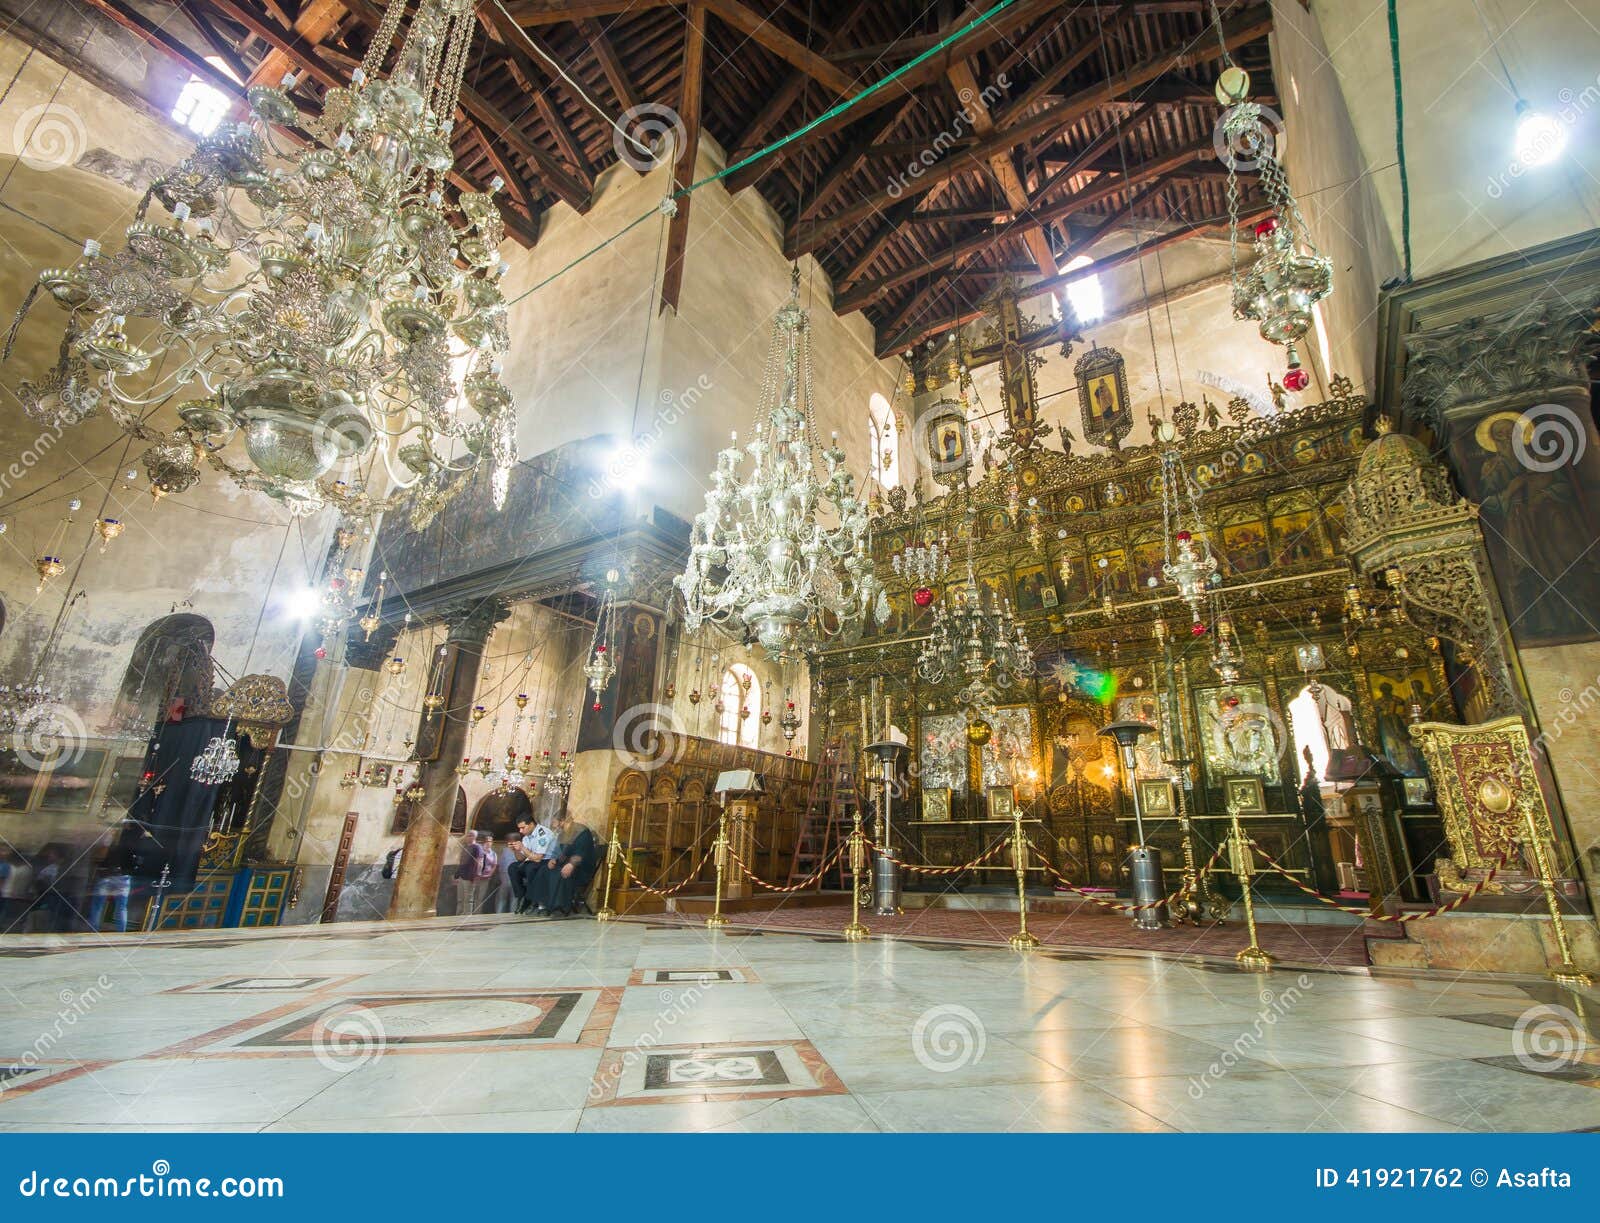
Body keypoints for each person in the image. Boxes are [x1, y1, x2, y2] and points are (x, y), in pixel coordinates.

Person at [529, 812, 598, 918]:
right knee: (544, 870)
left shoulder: (582, 832)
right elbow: (560, 851)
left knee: (559, 873)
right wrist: (553, 859)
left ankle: (559, 907)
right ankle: (542, 905)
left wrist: (571, 864)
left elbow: (582, 852)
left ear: (563, 821)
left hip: (580, 868)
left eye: (555, 822)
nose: (554, 825)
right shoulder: (563, 834)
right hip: (565, 863)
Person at [87, 821, 141, 933]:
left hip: (106, 876)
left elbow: (99, 858)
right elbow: (134, 864)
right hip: (122, 877)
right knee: (121, 907)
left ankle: (93, 930)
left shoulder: (108, 842)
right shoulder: (131, 845)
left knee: (98, 905)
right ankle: (121, 932)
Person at [508, 816, 558, 914]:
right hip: (533, 861)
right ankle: (522, 897)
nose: (521, 831)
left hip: (547, 861)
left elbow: (538, 858)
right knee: (513, 867)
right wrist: (516, 850)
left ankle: (532, 899)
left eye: (523, 827)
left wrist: (522, 848)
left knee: (530, 868)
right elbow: (520, 858)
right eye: (519, 828)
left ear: (531, 824)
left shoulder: (543, 833)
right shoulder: (527, 837)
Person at [453, 830, 494, 916]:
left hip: (469, 876)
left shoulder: (477, 847)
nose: (468, 837)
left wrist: (476, 875)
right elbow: (461, 862)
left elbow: (480, 862)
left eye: (471, 835)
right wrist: (456, 876)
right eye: (468, 835)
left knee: (468, 899)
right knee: (460, 899)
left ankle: (467, 917)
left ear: (475, 837)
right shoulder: (465, 847)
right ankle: (458, 917)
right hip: (461, 876)